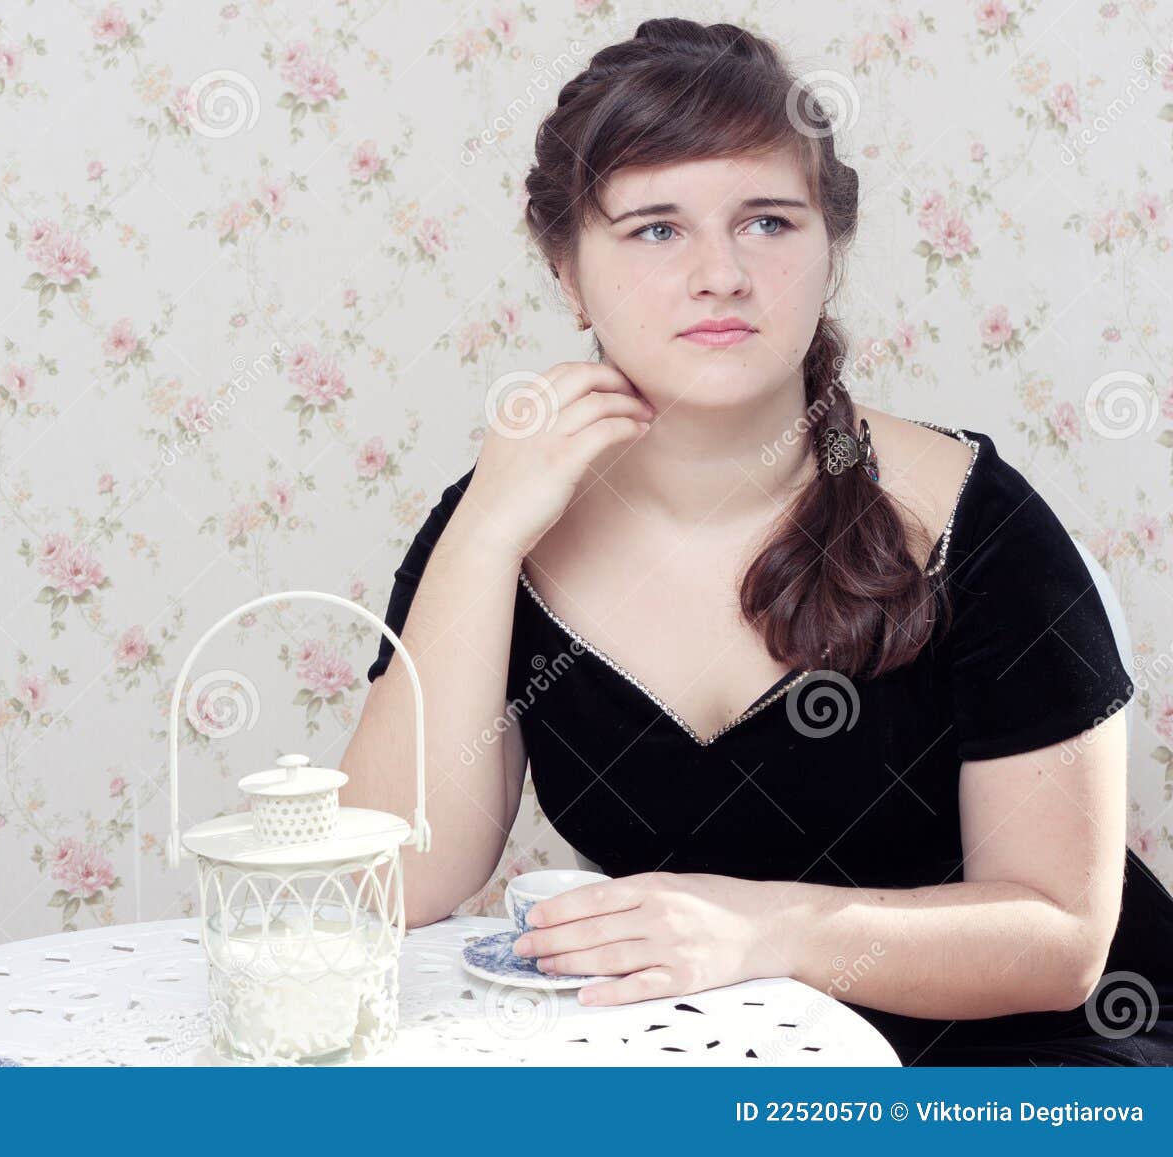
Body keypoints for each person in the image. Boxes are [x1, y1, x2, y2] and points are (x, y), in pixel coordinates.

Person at [338, 17, 1173, 1066]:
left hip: (1034, 1065)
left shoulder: (979, 518)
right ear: (565, 270)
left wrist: (764, 928)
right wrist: (486, 533)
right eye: (654, 228)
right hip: (718, 1068)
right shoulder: (498, 518)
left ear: (828, 249)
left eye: (768, 222)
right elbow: (393, 883)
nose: (720, 274)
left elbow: (1060, 941)